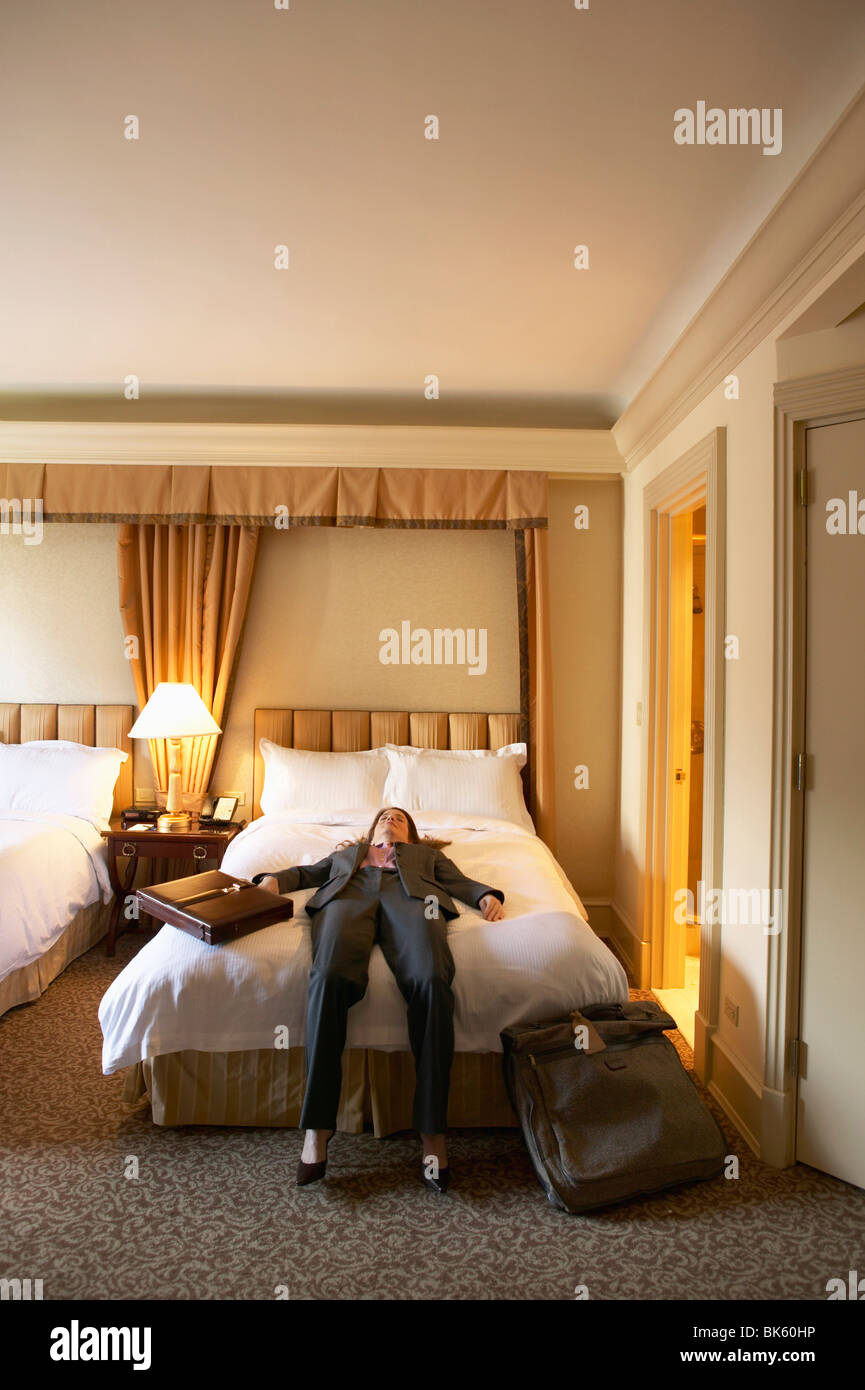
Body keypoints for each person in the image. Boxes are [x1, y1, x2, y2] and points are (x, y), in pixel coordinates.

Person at [253, 806, 505, 1193]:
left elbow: (458, 881)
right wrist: (271, 880)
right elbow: (307, 874)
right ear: (372, 829)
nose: (391, 819)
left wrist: (485, 895)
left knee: (431, 980)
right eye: (384, 816)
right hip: (348, 897)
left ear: (411, 835)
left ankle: (433, 1132)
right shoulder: (347, 855)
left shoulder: (427, 856)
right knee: (328, 978)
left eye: (399, 818)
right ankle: (317, 1127)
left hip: (414, 899)